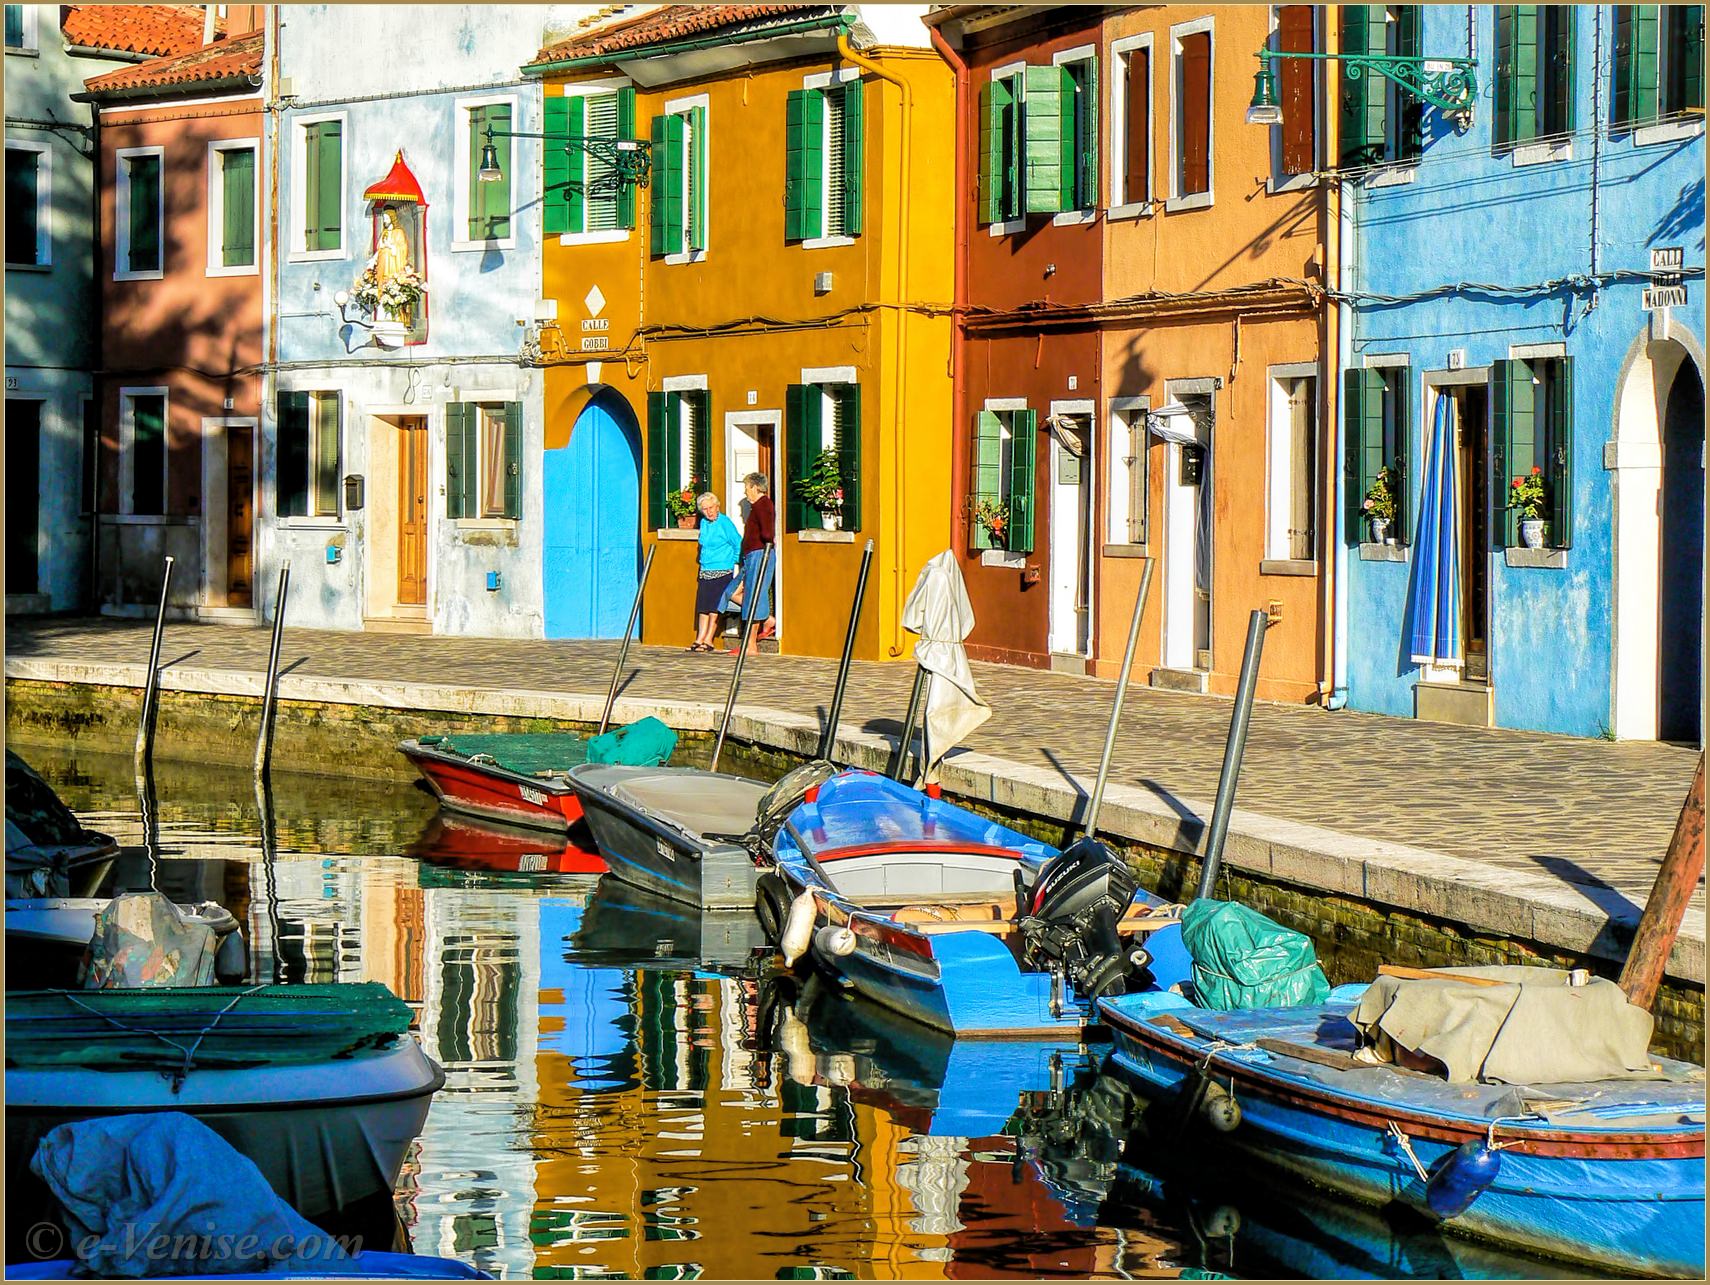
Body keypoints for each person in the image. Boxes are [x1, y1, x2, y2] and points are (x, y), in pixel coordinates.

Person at [722, 472, 775, 653]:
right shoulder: (758, 506)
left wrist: (762, 544)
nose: (746, 493)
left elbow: (768, 533)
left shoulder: (763, 505)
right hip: (751, 556)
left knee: (754, 596)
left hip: (759, 555)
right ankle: (767, 620)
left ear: (754, 487)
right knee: (732, 592)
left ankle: (750, 644)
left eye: (747, 488)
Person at [691, 492, 741, 652]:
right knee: (702, 605)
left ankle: (708, 639)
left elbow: (738, 543)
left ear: (717, 506)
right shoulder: (705, 523)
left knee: (714, 606)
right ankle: (699, 637)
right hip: (706, 569)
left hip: (722, 570)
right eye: (705, 509)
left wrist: (732, 561)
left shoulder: (725, 523)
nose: (709, 512)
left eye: (711, 508)